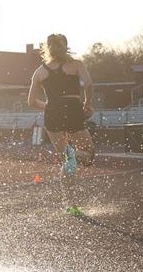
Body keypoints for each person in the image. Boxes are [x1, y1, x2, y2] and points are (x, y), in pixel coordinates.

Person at [27, 33, 96, 215]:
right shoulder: (76, 65)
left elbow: (31, 102)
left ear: (47, 49)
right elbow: (88, 85)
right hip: (73, 109)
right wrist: (87, 103)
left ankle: (70, 203)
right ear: (66, 46)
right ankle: (75, 154)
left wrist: (48, 106)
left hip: (52, 113)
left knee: (67, 160)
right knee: (88, 154)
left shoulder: (40, 72)